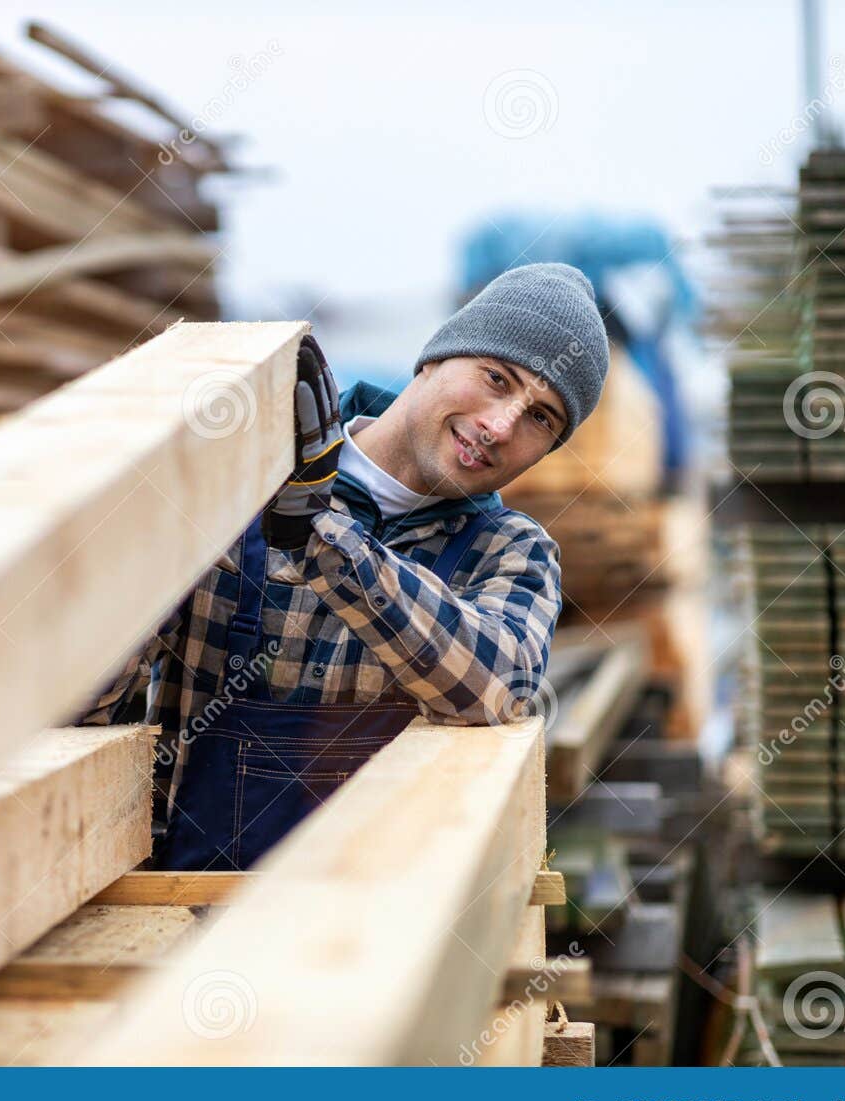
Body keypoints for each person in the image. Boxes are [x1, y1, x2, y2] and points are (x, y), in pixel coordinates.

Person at [79, 262, 609, 870]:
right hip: (186, 916)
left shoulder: (511, 552)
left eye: (541, 417)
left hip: (373, 938)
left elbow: (500, 686)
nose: (499, 425)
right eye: (496, 378)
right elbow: (83, 707)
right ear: (435, 358)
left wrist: (318, 528)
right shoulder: (241, 489)